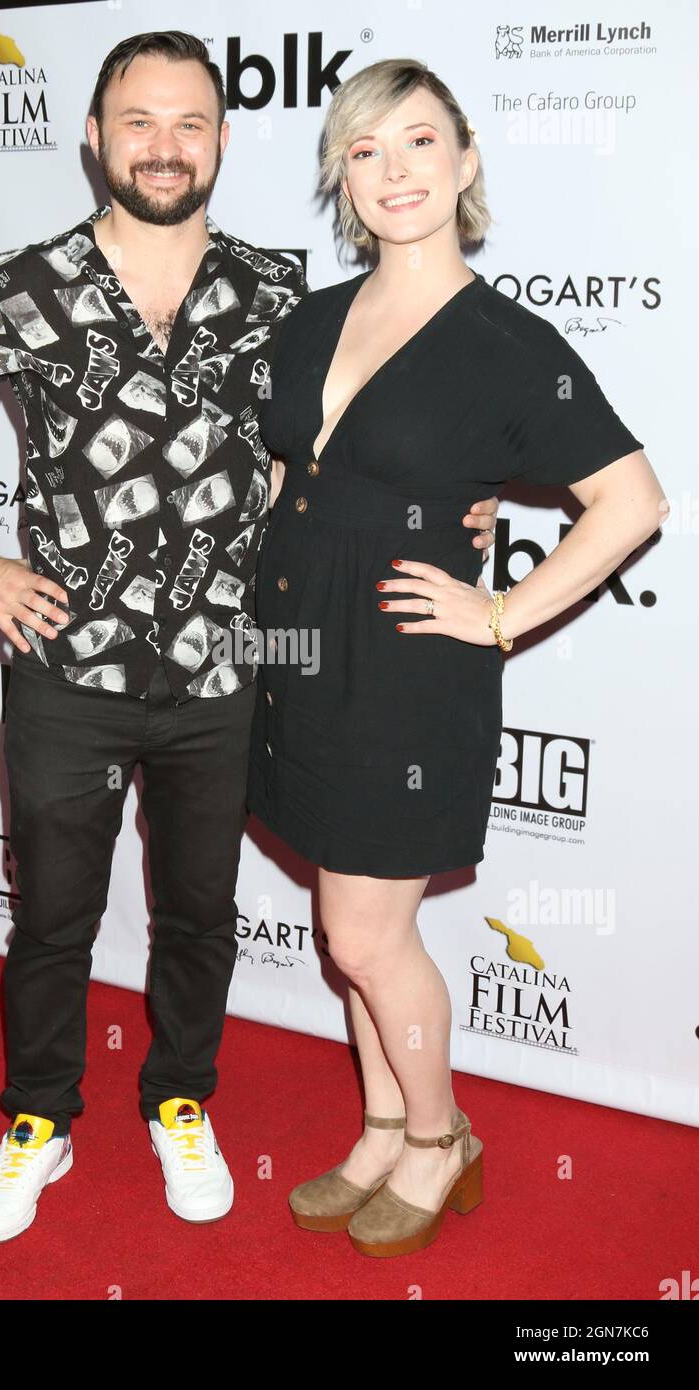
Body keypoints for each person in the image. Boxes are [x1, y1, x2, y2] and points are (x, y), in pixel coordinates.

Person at [0, 33, 500, 1245]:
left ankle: (179, 1100)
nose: (164, 146)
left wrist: (464, 496)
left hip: (229, 673)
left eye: (189, 123)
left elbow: (376, 425)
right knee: (51, 916)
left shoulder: (279, 295)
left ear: (220, 138)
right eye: (138, 122)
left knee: (198, 914)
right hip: (67, 673)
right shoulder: (27, 285)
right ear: (95, 140)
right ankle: (38, 1122)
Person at [246, 57, 666, 1258]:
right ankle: (382, 1123)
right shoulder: (313, 317)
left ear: (465, 161)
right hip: (300, 652)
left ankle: (438, 1138)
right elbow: (295, 477)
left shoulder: (501, 341)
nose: (393, 172)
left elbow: (629, 502)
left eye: (418, 143)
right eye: (365, 151)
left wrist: (501, 611)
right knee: (345, 931)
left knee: (368, 938)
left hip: (405, 674)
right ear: (342, 174)